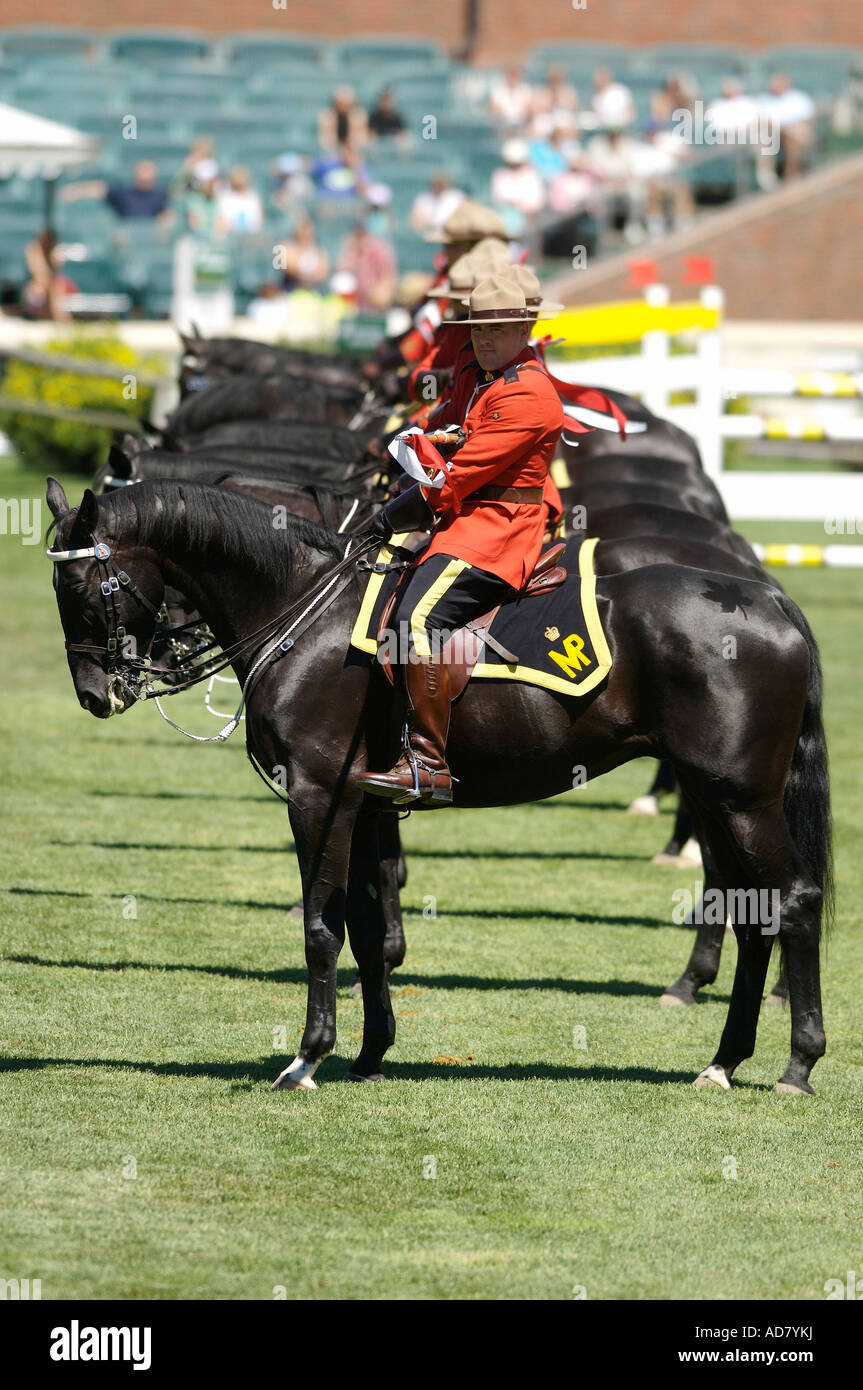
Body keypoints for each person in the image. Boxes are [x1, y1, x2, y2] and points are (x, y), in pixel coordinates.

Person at [356, 276, 565, 806]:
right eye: (476, 329)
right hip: (462, 519)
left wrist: (389, 516)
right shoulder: (482, 373)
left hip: (496, 533)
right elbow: (450, 432)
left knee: (416, 620)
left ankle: (429, 763)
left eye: (497, 329)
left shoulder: (530, 395)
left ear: (526, 327)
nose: (483, 339)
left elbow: (453, 480)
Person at [59, 160, 171, 221]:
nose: (145, 175)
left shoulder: (161, 196)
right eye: (143, 170)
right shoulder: (125, 194)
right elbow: (100, 189)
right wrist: (77, 191)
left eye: (149, 171)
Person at [337, 220, 398, 312]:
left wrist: (379, 293)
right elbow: (342, 275)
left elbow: (388, 278)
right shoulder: (350, 249)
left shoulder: (379, 249)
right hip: (354, 304)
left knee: (381, 297)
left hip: (375, 303)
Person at [22, 227, 77, 320]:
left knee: (59, 289)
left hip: (53, 287)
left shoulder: (54, 251)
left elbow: (57, 271)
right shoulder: (33, 251)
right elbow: (40, 274)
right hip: (39, 289)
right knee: (47, 292)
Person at [491, 139, 545, 231]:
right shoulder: (501, 174)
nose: (515, 167)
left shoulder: (532, 175)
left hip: (529, 222)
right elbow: (499, 199)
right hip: (506, 221)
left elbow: (536, 202)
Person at [277, 214, 330, 291]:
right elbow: (286, 267)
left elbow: (323, 273)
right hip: (290, 290)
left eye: (307, 228)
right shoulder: (286, 245)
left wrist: (305, 274)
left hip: (312, 291)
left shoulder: (319, 249)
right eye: (302, 228)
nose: (305, 232)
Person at [215, 165, 264, 235]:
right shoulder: (225, 197)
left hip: (250, 235)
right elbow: (222, 221)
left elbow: (259, 222)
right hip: (232, 234)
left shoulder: (253, 197)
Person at [318, 86, 368, 151]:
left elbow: (360, 141)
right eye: (340, 104)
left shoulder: (359, 115)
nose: (343, 107)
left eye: (346, 104)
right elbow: (325, 142)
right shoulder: (327, 116)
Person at [489, 66, 535, 131]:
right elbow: (494, 109)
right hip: (502, 125)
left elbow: (530, 109)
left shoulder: (526, 89)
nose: (513, 77)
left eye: (515, 74)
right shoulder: (498, 89)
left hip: (522, 125)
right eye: (511, 74)